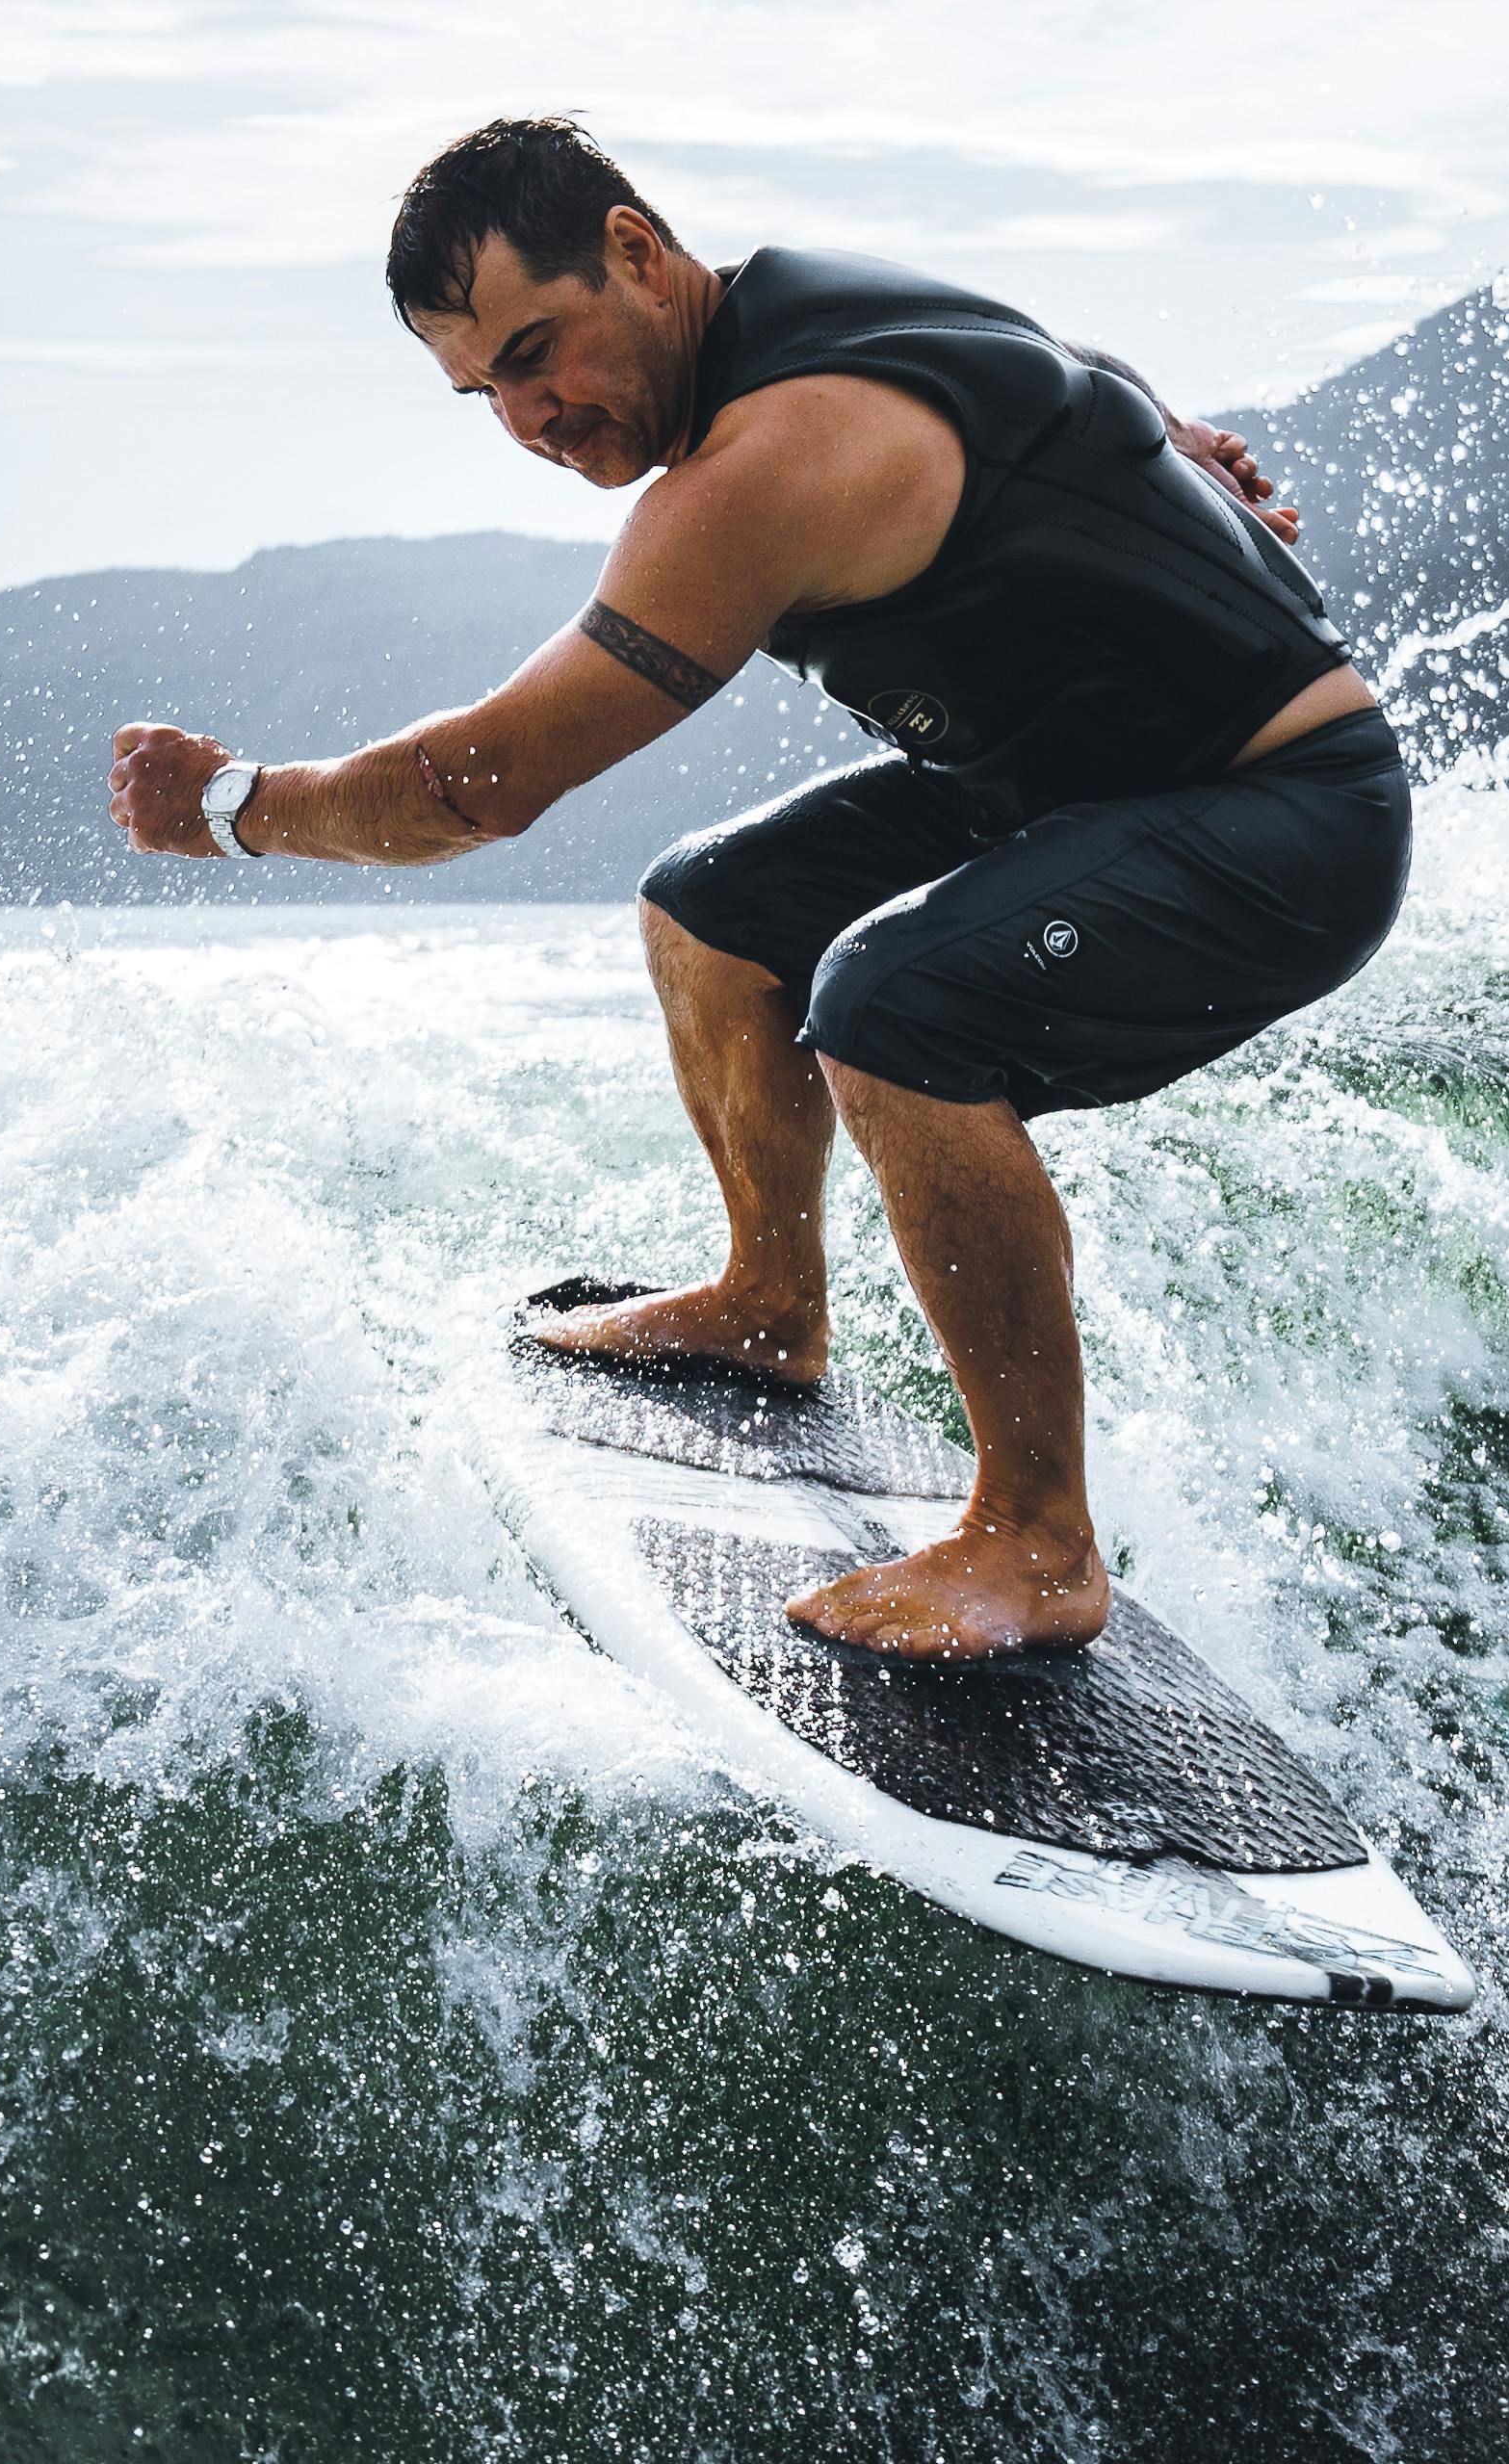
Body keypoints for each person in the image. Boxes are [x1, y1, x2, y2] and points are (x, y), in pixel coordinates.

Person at [111, 118, 1410, 1661]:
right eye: (487, 396)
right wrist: (1177, 440)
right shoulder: (820, 300)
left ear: (640, 255)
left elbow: (483, 786)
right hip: (1055, 784)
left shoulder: (766, 461)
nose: (531, 418)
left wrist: (239, 812)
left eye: (542, 351)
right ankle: (768, 1301)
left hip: (1274, 812)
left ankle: (1038, 1540)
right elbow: (1073, 359)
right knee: (713, 908)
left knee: (895, 1003)